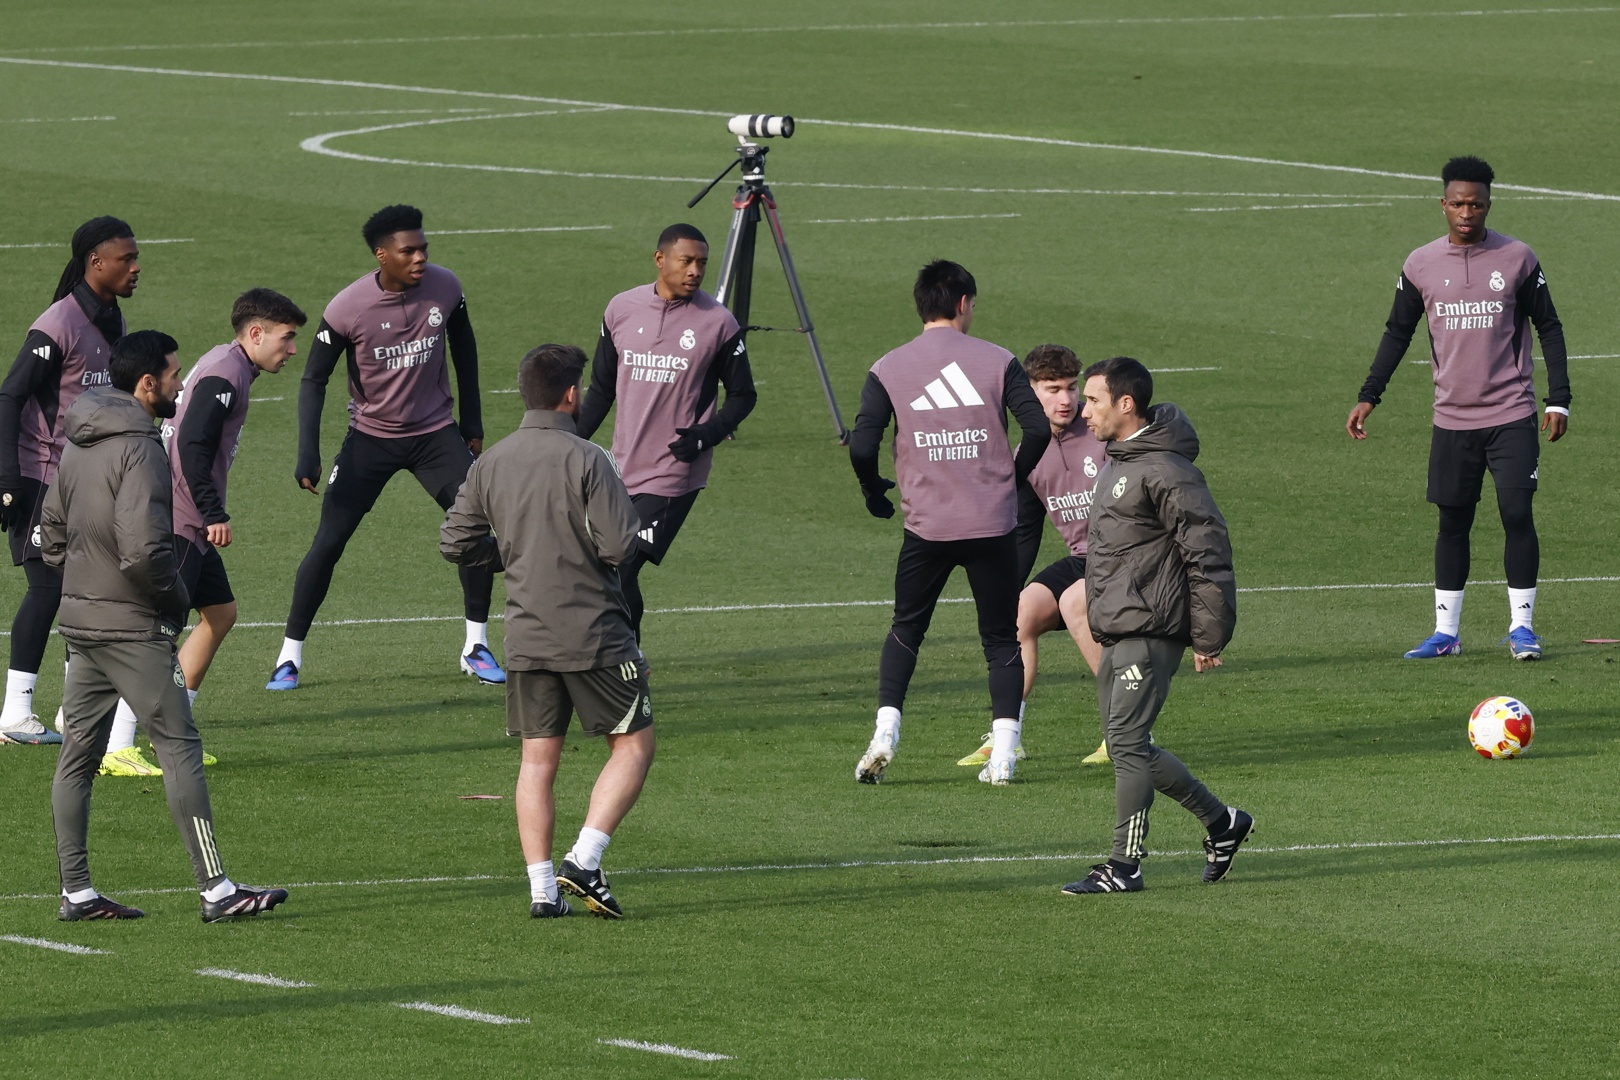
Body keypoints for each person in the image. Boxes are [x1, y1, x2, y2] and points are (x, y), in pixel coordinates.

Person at [40, 329, 287, 922]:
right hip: (133, 626)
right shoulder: (143, 448)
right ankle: (218, 891)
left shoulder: (77, 442)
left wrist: (83, 583)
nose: (181, 384)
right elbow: (144, 551)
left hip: (81, 622)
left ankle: (76, 892)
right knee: (179, 746)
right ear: (147, 384)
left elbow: (50, 533)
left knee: (77, 756)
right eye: (175, 375)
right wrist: (174, 603)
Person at [442, 343, 655, 920]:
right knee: (634, 744)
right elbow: (620, 545)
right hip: (594, 633)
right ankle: (584, 859)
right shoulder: (589, 457)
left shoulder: (490, 462)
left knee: (537, 763)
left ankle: (543, 891)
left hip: (527, 636)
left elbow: (455, 542)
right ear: (570, 395)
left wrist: (514, 553)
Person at [266, 204, 501, 690]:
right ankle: (289, 657)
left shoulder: (446, 287)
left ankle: (476, 646)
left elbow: (465, 349)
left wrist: (472, 421)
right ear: (381, 255)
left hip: (435, 435)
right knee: (329, 541)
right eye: (408, 251)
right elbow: (313, 379)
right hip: (371, 440)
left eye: (423, 248)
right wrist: (308, 452)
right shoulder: (347, 308)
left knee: (475, 531)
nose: (420, 258)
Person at [1347, 155, 1570, 662]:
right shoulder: (1420, 264)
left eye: (1477, 205)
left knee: (1517, 513)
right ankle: (1446, 634)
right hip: (1452, 420)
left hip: (1511, 414)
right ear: (1443, 204)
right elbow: (1397, 331)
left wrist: (1559, 398)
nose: (1467, 213)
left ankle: (1522, 629)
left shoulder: (1517, 258)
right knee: (1452, 523)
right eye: (1458, 204)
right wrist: (1369, 394)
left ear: (1489, 205)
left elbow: (1549, 327)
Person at [848, 259, 1050, 786]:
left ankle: (884, 733)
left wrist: (872, 491)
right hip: (992, 525)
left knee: (906, 629)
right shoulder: (998, 360)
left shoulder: (888, 367)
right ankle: (1003, 754)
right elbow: (1037, 429)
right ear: (963, 304)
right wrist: (1009, 478)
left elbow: (863, 444)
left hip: (927, 528)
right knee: (1001, 640)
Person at [1060, 357, 1250, 895]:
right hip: (1119, 627)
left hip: (1150, 630)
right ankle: (1223, 822)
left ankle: (1124, 866)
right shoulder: (1120, 462)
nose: (1082, 410)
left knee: (1125, 742)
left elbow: (1207, 551)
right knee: (1129, 745)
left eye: (1092, 400)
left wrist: (1208, 634)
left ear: (1126, 404)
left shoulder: (1166, 470)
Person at [100, 289, 307, 777]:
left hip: (187, 515)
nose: (292, 349)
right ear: (255, 334)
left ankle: (174, 734)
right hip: (180, 519)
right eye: (286, 337)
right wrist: (213, 513)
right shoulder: (225, 374)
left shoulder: (228, 363)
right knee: (158, 632)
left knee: (220, 613)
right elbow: (192, 441)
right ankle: (117, 746)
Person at [574, 223, 756, 640]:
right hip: (621, 468)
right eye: (686, 261)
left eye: (702, 263)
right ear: (660, 260)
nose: (695, 271)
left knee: (622, 565)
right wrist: (566, 441)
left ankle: (624, 661)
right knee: (609, 569)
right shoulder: (621, 309)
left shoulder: (718, 323)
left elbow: (743, 395)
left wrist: (704, 435)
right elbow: (601, 390)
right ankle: (629, 657)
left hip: (675, 473)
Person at [0, 217, 138, 745]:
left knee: (86, 590)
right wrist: (8, 479)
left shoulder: (112, 319)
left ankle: (72, 711)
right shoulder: (58, 324)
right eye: (126, 258)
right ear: (95, 263)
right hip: (41, 477)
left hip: (86, 480)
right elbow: (9, 396)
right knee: (48, 587)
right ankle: (14, 714)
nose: (135, 267)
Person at [955, 344, 1111, 776]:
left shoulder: (1101, 433)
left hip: (1124, 556)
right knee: (1019, 613)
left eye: (1071, 388)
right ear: (1030, 393)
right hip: (1084, 558)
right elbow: (1023, 532)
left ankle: (1125, 729)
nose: (1067, 400)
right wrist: (1002, 588)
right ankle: (1008, 734)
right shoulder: (1030, 453)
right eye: (1053, 389)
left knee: (1075, 602)